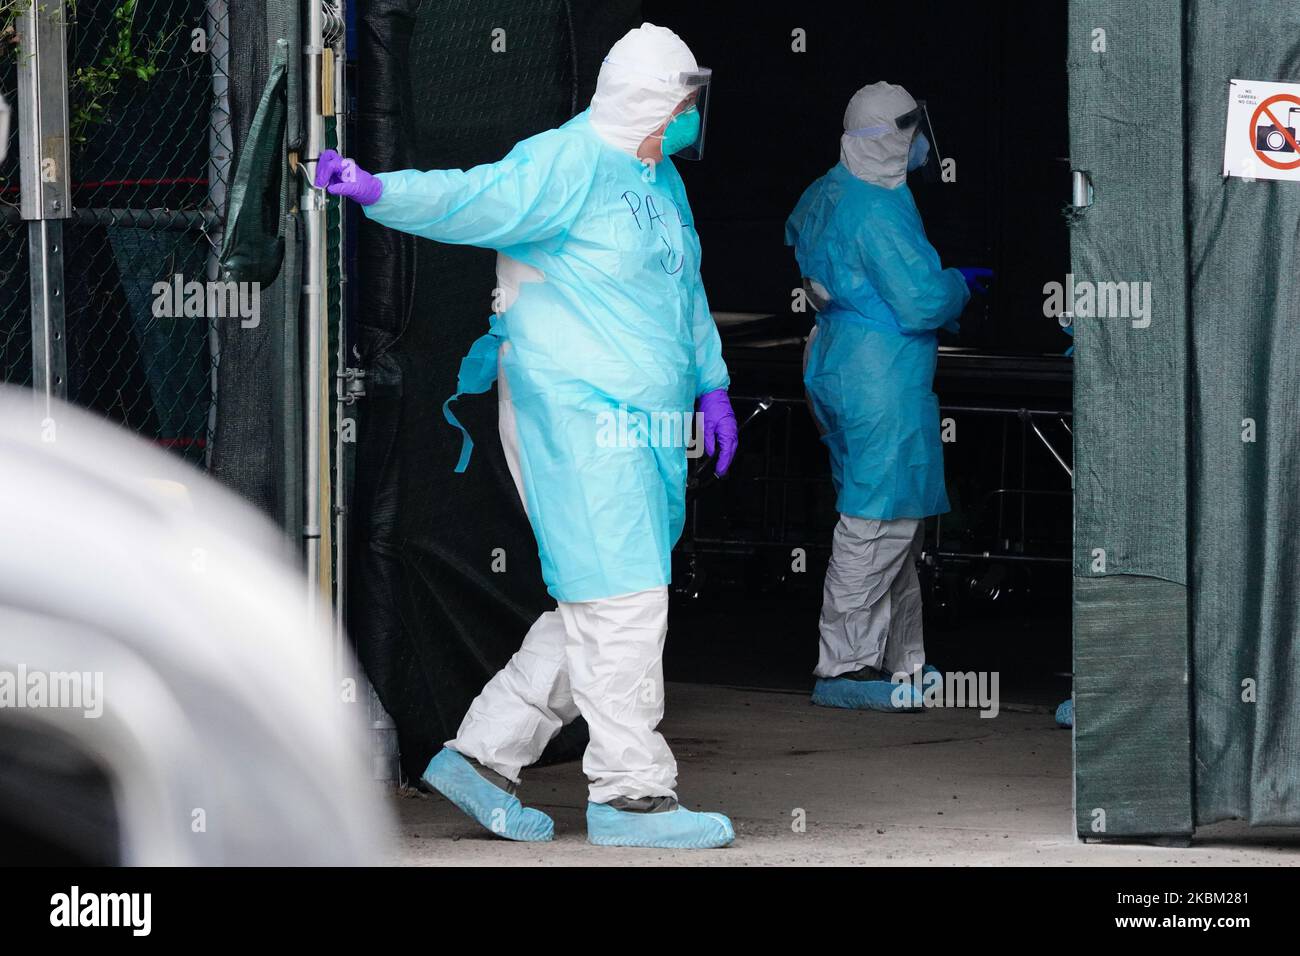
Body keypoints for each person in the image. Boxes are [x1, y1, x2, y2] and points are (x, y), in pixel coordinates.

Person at [316, 23, 738, 849]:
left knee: (599, 596)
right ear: (651, 98)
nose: (693, 114)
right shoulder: (565, 161)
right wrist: (378, 190)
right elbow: (474, 198)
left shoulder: (660, 182)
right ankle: (632, 796)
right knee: (622, 601)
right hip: (578, 415)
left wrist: (713, 384)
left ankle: (481, 757)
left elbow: (682, 293)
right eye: (685, 98)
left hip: (650, 423)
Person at [785, 81, 988, 712]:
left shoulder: (829, 190)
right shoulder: (873, 209)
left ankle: (902, 663)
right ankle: (844, 668)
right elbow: (921, 299)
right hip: (880, 374)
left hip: (838, 364)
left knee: (894, 523)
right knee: (876, 524)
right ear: (891, 137)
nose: (922, 143)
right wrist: (959, 284)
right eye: (912, 131)